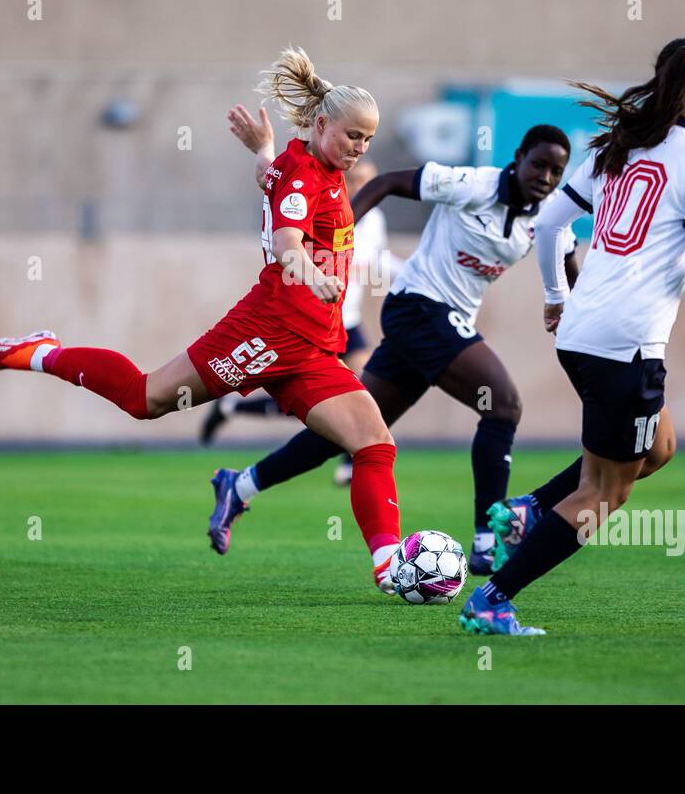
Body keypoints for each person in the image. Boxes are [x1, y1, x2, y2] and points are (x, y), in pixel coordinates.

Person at [0, 47, 405, 592]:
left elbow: (273, 185)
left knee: (373, 444)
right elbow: (289, 238)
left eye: (367, 139)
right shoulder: (306, 173)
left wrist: (262, 149)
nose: (359, 148)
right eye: (351, 136)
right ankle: (40, 352)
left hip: (312, 349)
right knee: (146, 398)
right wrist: (306, 271)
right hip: (267, 333)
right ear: (321, 124)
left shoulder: (309, 165)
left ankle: (390, 565)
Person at [459, 37, 685, 635]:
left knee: (658, 446)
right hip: (628, 345)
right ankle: (493, 597)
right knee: (603, 495)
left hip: (581, 334)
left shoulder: (617, 146)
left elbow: (548, 226)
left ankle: (528, 510)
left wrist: (554, 296)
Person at [207, 125, 580, 575]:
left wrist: (576, 309)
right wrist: (336, 238)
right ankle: (487, 539)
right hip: (419, 308)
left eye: (556, 171)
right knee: (504, 405)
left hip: (443, 324)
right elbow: (385, 184)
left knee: (352, 431)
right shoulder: (472, 184)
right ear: (518, 157)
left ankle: (239, 485)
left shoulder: (548, 218)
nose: (545, 176)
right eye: (538, 163)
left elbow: (567, 257)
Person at [197, 158, 402, 493]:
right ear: (345, 180)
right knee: (315, 402)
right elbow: (286, 243)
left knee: (361, 392)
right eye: (360, 180)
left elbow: (377, 259)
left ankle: (352, 458)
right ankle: (234, 407)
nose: (367, 188)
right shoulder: (324, 207)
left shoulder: (372, 220)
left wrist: (412, 275)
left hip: (346, 320)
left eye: (372, 182)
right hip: (309, 323)